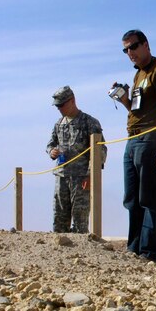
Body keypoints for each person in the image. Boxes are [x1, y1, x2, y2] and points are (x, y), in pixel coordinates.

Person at [113, 30, 156, 263]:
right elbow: (137, 110)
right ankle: (135, 249)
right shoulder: (139, 75)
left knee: (150, 197)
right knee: (132, 198)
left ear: (146, 45)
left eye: (133, 46)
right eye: (126, 49)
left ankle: (150, 253)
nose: (130, 52)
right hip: (133, 139)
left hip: (151, 139)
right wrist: (124, 101)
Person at [47, 86, 107, 234]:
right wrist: (51, 151)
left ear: (72, 100)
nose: (59, 109)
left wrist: (90, 175)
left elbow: (100, 151)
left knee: (80, 221)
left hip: (81, 178)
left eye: (62, 105)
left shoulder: (89, 122)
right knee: (59, 219)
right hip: (61, 176)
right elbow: (50, 144)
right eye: (57, 106)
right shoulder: (58, 124)